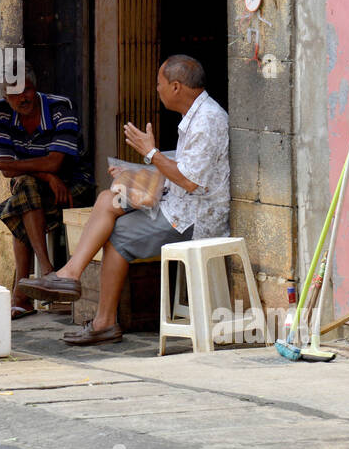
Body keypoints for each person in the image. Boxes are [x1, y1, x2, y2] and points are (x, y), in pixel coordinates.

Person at [18, 55, 229, 346]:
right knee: (109, 197)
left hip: (194, 218)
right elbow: (185, 166)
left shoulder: (206, 121)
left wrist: (151, 153)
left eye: (160, 84)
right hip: (178, 204)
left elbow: (190, 180)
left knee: (117, 235)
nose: (157, 89)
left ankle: (97, 312)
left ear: (177, 87)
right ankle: (70, 276)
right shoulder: (196, 115)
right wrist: (137, 172)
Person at [0, 64, 93, 320]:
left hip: (72, 184)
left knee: (21, 199)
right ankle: (47, 273)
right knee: (25, 190)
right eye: (14, 94)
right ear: (5, 97)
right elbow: (11, 172)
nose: (22, 98)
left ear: (35, 89)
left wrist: (6, 164)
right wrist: (47, 176)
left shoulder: (61, 108)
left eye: (26, 90)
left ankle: (22, 294)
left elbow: (56, 162)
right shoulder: (0, 112)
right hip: (36, 186)